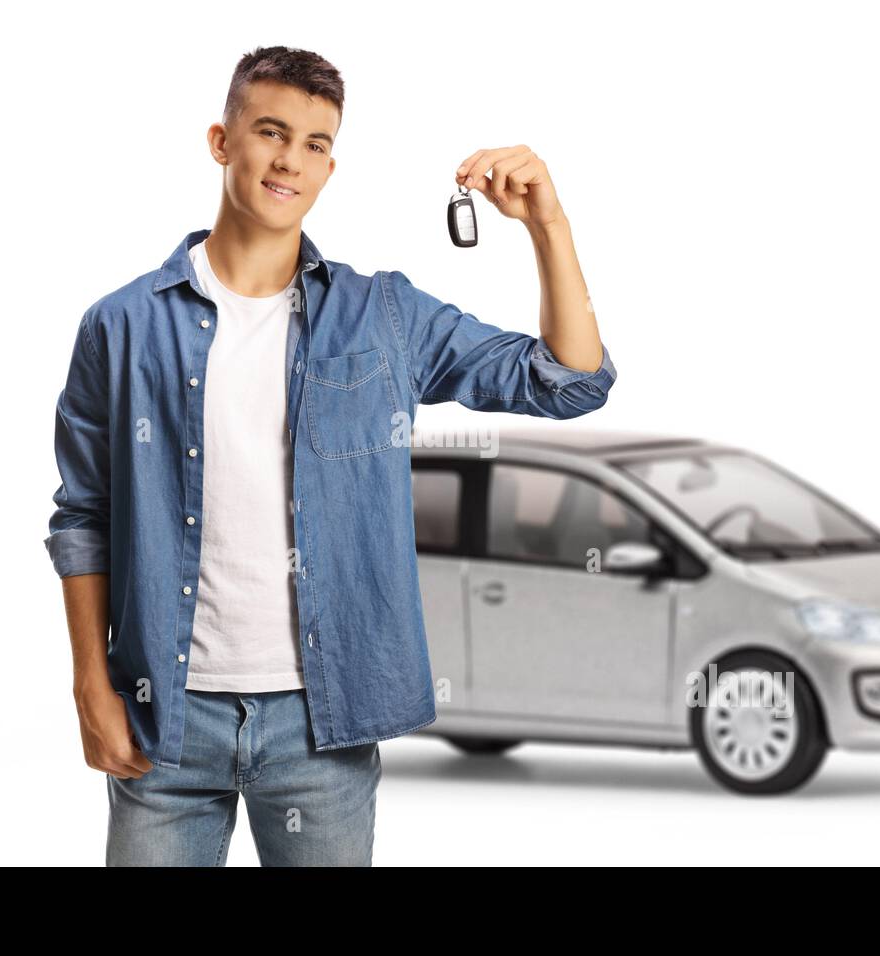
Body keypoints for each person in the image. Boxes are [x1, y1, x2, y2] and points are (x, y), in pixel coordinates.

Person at [43, 45, 618, 866]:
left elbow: (568, 382)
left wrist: (548, 227)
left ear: (330, 166)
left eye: (316, 144)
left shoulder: (381, 315)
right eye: (271, 133)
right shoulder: (122, 323)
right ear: (221, 140)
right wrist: (90, 686)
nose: (291, 160)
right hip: (163, 718)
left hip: (324, 724)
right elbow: (84, 516)